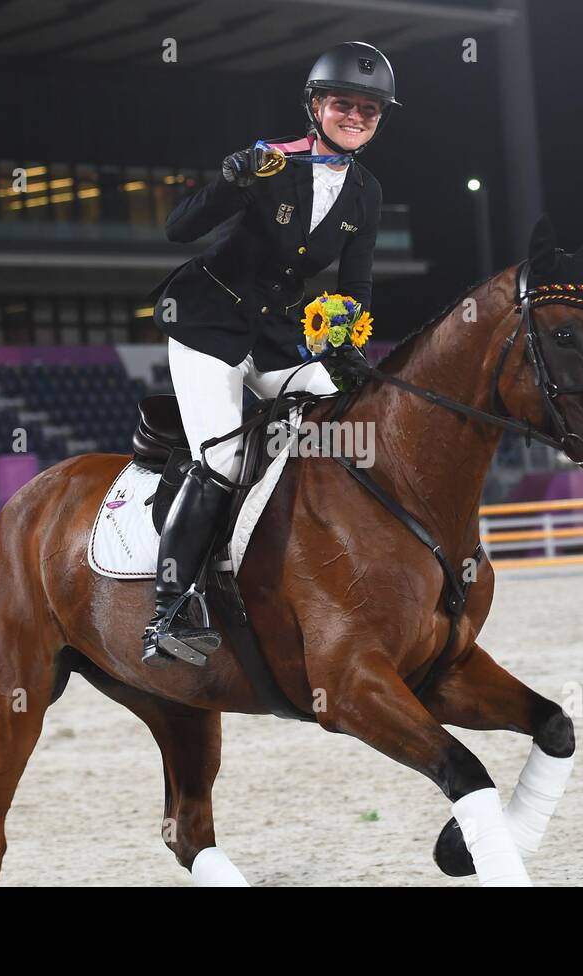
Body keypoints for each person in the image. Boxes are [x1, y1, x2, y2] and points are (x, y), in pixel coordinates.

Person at [140, 41, 398, 668]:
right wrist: (228, 183)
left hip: (277, 331)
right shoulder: (270, 164)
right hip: (209, 319)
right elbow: (180, 229)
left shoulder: (367, 192)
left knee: (342, 425)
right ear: (315, 105)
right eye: (345, 104)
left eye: (370, 109)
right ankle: (170, 608)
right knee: (224, 454)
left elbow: (354, 288)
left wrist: (346, 342)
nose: (357, 116)